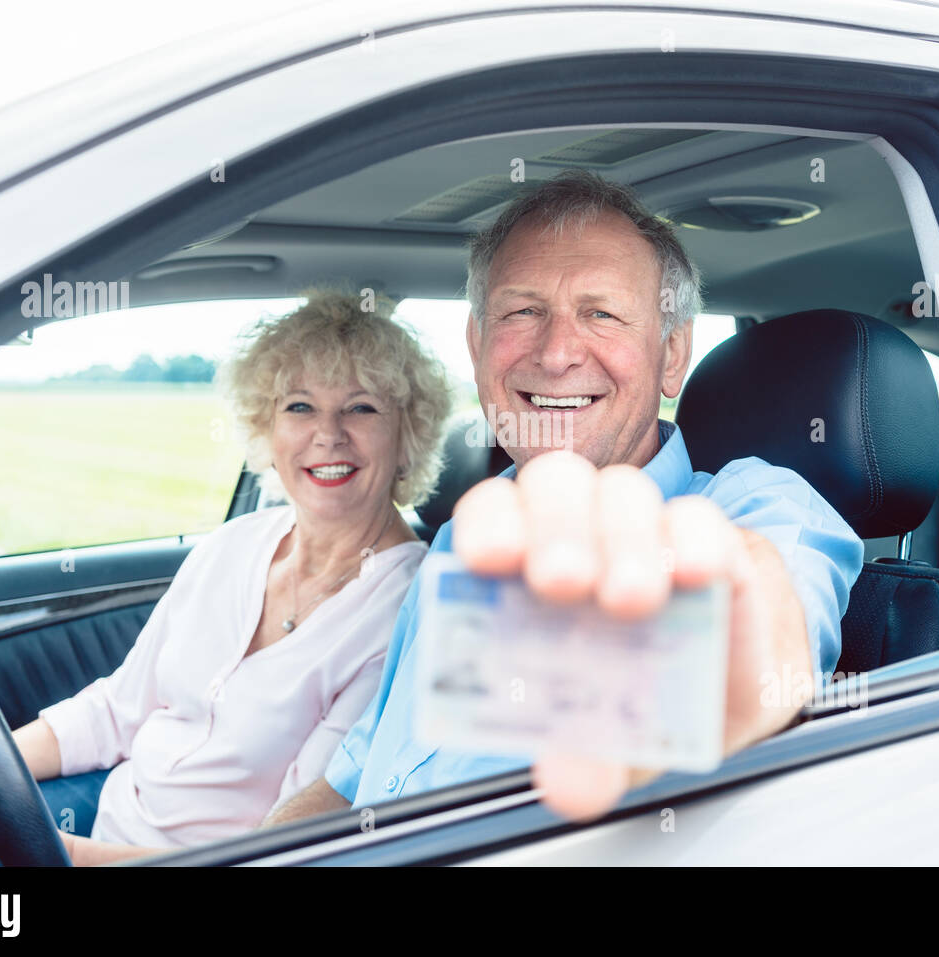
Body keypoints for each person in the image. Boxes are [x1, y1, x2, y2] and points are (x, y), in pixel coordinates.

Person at [265, 170, 866, 825]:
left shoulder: (759, 508)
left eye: (600, 312)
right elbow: (354, 781)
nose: (555, 354)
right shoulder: (458, 540)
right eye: (523, 311)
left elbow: (769, 620)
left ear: (671, 354)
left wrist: (718, 666)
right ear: (476, 344)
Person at [12, 289, 452, 863]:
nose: (328, 434)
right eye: (299, 406)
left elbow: (284, 842)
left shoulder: (405, 610)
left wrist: (64, 856)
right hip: (107, 812)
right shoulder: (232, 545)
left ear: (408, 438)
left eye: (361, 408)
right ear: (264, 429)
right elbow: (116, 711)